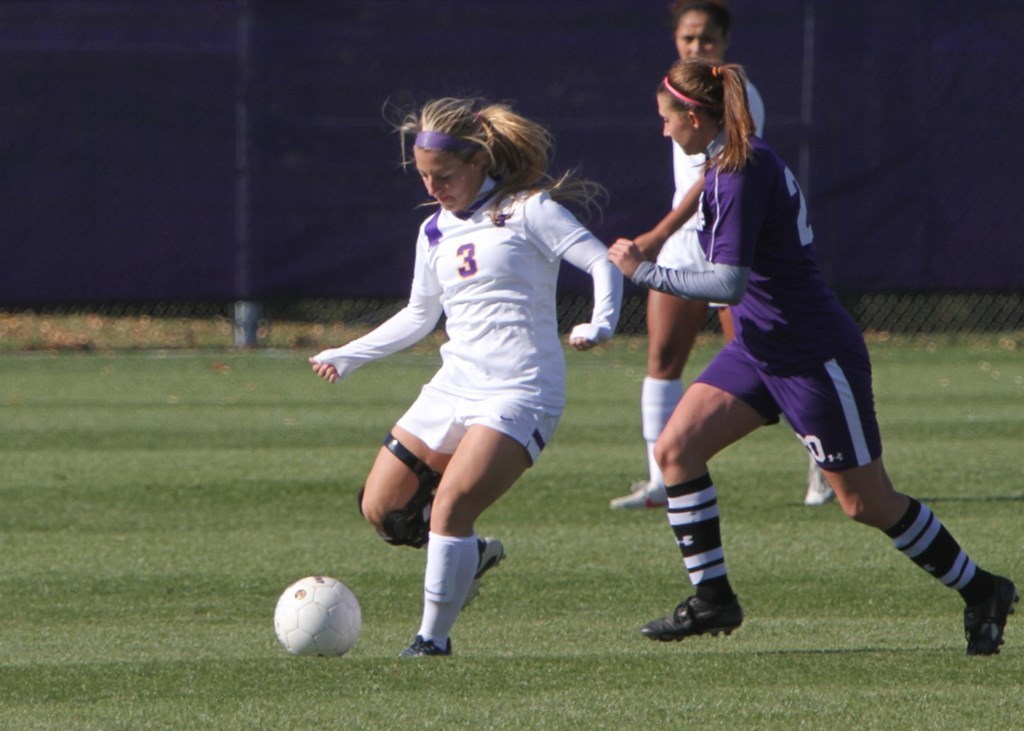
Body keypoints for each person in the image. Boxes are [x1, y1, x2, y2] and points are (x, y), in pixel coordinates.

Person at [608, 58, 1017, 654]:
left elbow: (727, 286)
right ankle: (713, 599)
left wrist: (643, 270)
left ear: (695, 117)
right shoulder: (731, 162)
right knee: (675, 451)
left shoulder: (740, 172)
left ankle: (983, 590)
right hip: (759, 346)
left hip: (810, 353)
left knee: (865, 502)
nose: (664, 131)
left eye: (668, 119)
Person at [310, 97, 623, 657]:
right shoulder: (433, 231)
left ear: (479, 160)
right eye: (425, 176)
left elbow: (602, 263)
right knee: (385, 511)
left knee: (451, 506)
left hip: (520, 390)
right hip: (454, 386)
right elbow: (418, 315)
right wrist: (350, 353)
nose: (433, 188)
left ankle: (432, 640)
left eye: (444, 176)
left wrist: (599, 325)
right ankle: (471, 555)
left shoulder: (528, 209)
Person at [609, 0, 834, 510]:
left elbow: (722, 172)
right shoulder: (675, 90)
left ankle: (826, 463)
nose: (695, 47)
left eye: (705, 39)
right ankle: (661, 482)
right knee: (663, 359)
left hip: (725, 241)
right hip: (685, 244)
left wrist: (655, 234)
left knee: (765, 360)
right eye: (688, 39)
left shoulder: (733, 94)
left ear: (724, 42)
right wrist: (668, 236)